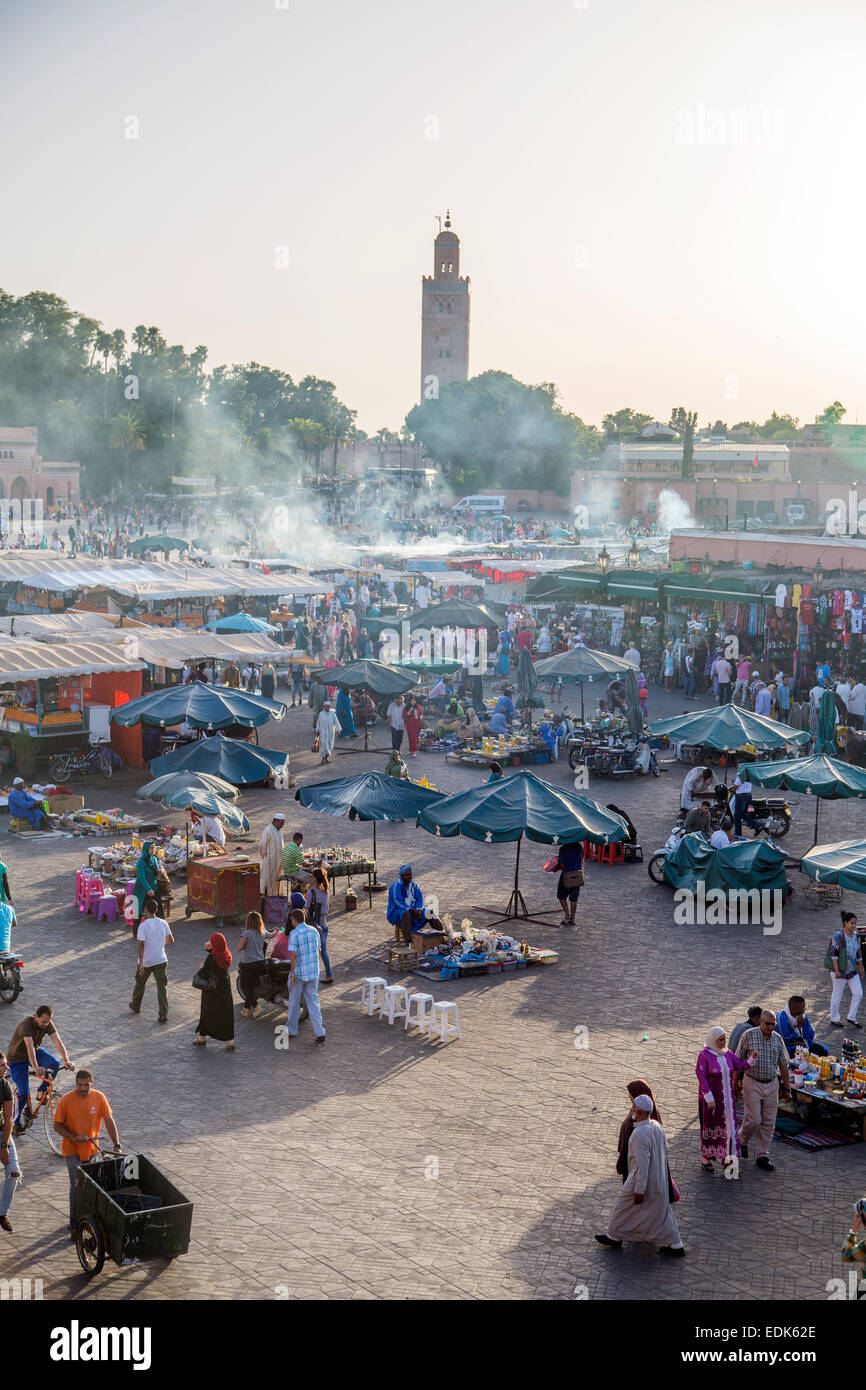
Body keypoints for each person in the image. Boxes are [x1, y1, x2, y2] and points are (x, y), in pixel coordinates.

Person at [595, 1094, 684, 1256]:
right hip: (658, 1179)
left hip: (642, 1180)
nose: (632, 1113)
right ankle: (676, 1244)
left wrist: (639, 1189)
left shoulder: (639, 1134)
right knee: (661, 1212)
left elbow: (643, 1165)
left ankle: (614, 1236)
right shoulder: (656, 1126)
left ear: (641, 1113)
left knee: (621, 1207)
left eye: (634, 1110)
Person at [53, 1067, 122, 1236]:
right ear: (76, 1083)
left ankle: (91, 1222)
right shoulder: (66, 1100)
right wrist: (73, 1137)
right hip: (72, 1150)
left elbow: (109, 1121)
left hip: (92, 1149)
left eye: (86, 1085)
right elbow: (57, 1125)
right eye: (79, 1085)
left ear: (92, 1083)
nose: (83, 1088)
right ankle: (74, 1225)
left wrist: (116, 1145)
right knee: (76, 1186)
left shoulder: (99, 1097)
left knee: (92, 1187)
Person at [735, 1010, 791, 1171]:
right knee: (753, 1119)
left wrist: (787, 1089)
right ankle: (742, 1141)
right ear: (760, 1022)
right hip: (752, 1082)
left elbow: (783, 1065)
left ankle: (762, 1155)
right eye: (767, 1023)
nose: (770, 1027)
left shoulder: (777, 1039)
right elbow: (737, 1061)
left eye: (773, 1024)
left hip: (771, 1084)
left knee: (768, 1121)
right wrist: (735, 1085)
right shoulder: (748, 1035)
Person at [695, 1026, 757, 1172]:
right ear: (713, 1040)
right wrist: (709, 1098)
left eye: (724, 1039)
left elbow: (740, 1066)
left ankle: (728, 1160)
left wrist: (752, 1059)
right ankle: (706, 1158)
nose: (724, 1042)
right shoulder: (704, 1055)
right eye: (720, 1040)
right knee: (712, 1128)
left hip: (728, 1101)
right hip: (712, 1103)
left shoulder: (727, 1053)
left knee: (729, 1128)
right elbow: (701, 1077)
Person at [8, 1004, 73, 1135]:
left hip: (35, 1052)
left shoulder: (47, 1023)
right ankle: (13, 1123)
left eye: (47, 1022)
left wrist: (66, 1060)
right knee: (23, 1092)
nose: (45, 1024)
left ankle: (41, 1091)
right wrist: (36, 1067)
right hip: (17, 1058)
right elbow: (29, 1047)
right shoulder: (26, 1025)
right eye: (43, 1022)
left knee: (54, 1064)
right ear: (35, 1016)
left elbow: (57, 1040)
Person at [284, 909, 326, 1045]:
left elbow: (294, 956)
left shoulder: (294, 934)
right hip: (313, 971)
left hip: (300, 972)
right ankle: (320, 1031)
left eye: (291, 920)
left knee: (294, 1001)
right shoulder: (314, 931)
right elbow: (319, 950)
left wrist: (292, 973)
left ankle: (291, 1029)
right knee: (313, 1001)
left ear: (294, 920)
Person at [129, 894, 173, 1022]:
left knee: (140, 983)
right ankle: (163, 1013)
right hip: (161, 959)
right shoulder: (163, 923)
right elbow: (170, 940)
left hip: (147, 961)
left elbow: (141, 945)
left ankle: (135, 1005)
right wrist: (159, 942)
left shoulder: (143, 926)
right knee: (161, 987)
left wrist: (141, 964)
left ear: (146, 910)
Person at [193, 933, 235, 1050]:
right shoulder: (226, 954)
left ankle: (202, 1038)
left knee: (207, 1013)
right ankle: (230, 1041)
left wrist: (203, 966)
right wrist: (210, 950)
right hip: (224, 990)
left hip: (212, 991)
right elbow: (218, 960)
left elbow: (205, 972)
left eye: (211, 941)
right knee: (225, 1015)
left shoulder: (212, 958)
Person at [615, 1081, 661, 1181]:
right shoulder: (638, 1113)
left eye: (631, 1094)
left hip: (634, 1170)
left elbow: (627, 1146)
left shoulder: (636, 1120)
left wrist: (620, 1165)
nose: (629, 1096)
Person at [828, 912, 864, 1028]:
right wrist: (837, 970)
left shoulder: (854, 935)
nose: (853, 925)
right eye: (851, 923)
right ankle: (834, 1018)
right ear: (845, 923)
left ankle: (851, 1017)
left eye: (854, 923)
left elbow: (858, 952)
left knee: (858, 993)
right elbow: (834, 954)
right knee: (837, 995)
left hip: (852, 971)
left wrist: (861, 967)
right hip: (840, 971)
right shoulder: (838, 935)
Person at [236, 911, 272, 1018]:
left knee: (245, 986)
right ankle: (246, 1010)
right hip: (261, 964)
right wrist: (276, 931)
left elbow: (239, 948)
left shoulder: (246, 934)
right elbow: (271, 935)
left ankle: (256, 1006)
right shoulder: (263, 932)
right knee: (252, 986)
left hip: (248, 964)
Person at [0, 1050, 20, 1232]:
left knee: (13, 1172)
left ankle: (2, 1213)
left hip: (1, 1133)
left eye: (5, 1063)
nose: (6, 1067)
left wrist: (4, 1146)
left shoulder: (4, 1086)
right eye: (2, 1065)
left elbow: (8, 1119)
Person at [131, 839, 171, 930]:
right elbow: (142, 878)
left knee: (159, 908)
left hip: (154, 887)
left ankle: (161, 929)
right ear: (146, 849)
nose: (153, 850)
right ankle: (136, 932)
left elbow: (158, 869)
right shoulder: (141, 862)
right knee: (139, 911)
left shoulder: (154, 859)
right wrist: (148, 889)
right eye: (151, 848)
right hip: (142, 889)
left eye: (154, 848)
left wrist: (160, 872)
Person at [304, 868, 333, 985]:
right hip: (324, 925)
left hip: (314, 927)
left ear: (315, 878)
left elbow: (306, 908)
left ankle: (308, 975)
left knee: (309, 951)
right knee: (323, 951)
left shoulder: (311, 892)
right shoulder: (326, 891)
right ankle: (329, 974)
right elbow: (325, 910)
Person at [387, 865, 424, 945]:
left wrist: (418, 909)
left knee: (429, 913)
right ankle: (407, 940)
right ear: (401, 875)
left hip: (413, 908)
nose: (409, 877)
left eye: (410, 874)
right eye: (406, 875)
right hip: (397, 911)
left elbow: (419, 898)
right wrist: (410, 910)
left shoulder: (414, 886)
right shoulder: (395, 886)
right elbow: (397, 902)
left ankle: (442, 935)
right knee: (406, 914)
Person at [554, 840, 584, 927]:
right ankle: (573, 919)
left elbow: (562, 865)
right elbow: (582, 861)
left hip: (566, 877)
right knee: (574, 899)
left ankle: (567, 915)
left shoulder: (563, 849)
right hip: (577, 876)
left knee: (561, 896)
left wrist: (555, 868)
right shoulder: (579, 848)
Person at [258, 812, 285, 898]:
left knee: (278, 878)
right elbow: (262, 845)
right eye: (281, 823)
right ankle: (269, 896)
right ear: (276, 821)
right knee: (269, 878)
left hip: (279, 860)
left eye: (283, 822)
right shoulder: (268, 831)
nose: (283, 825)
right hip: (270, 860)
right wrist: (265, 857)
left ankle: (277, 895)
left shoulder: (280, 830)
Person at [732, 769, 759, 838]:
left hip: (741, 797)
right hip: (748, 796)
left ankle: (738, 834)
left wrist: (733, 788)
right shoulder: (749, 775)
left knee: (737, 816)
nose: (737, 767)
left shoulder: (740, 774)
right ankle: (757, 827)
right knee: (744, 814)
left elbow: (736, 786)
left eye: (738, 765)